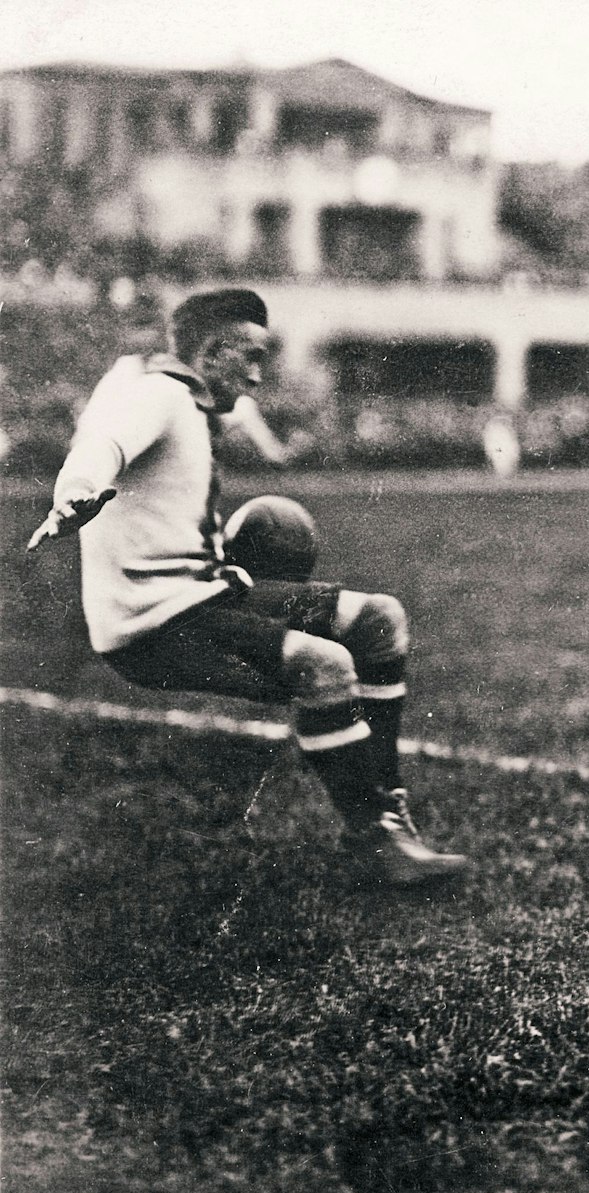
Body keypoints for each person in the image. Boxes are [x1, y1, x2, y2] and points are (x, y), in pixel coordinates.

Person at [25, 288, 470, 887]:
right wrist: (77, 492)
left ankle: (387, 811)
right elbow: (100, 444)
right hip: (153, 622)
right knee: (324, 664)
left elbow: (214, 414)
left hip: (203, 593)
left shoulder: (188, 397)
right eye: (251, 358)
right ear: (211, 354)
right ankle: (375, 842)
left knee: (379, 618)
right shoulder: (154, 396)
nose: (259, 376)